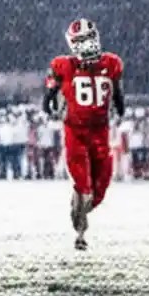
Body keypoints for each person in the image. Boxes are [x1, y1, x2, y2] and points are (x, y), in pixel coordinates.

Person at [43, 19, 124, 250]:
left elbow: (117, 93)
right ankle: (80, 232)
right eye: (81, 41)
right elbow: (48, 97)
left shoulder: (111, 63)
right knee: (84, 186)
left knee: (100, 188)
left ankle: (79, 210)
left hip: (101, 131)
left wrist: (119, 109)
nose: (87, 45)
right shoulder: (64, 66)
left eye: (89, 39)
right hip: (75, 132)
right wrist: (50, 105)